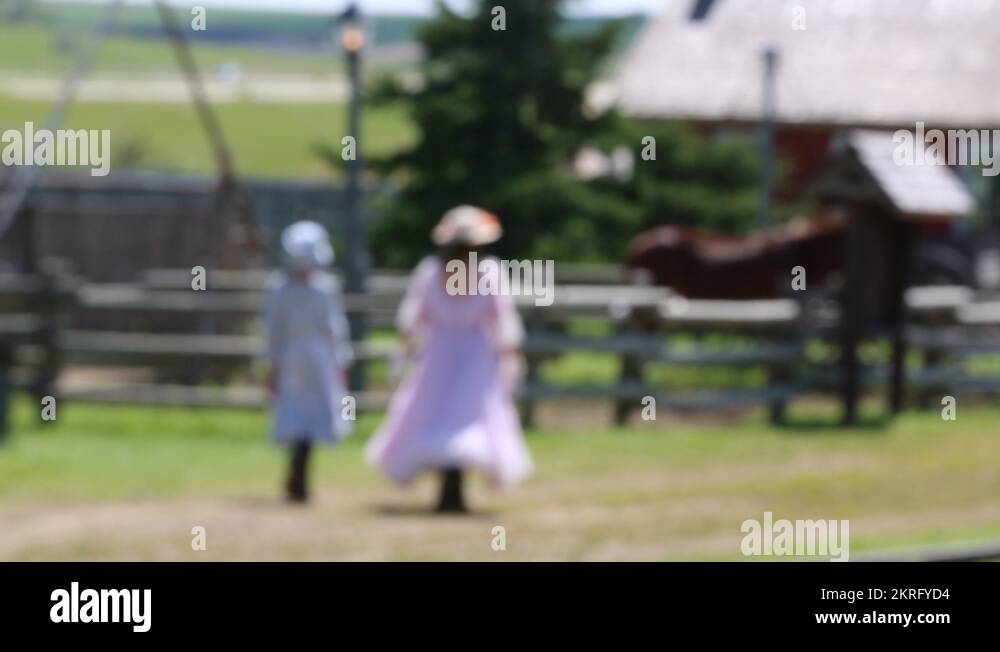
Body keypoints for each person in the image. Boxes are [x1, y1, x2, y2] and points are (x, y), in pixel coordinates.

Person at [366, 205, 533, 513]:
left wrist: (403, 353)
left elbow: (414, 317)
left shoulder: (431, 271)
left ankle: (449, 488)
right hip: (476, 354)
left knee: (437, 415)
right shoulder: (489, 271)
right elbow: (502, 318)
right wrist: (509, 354)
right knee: (469, 416)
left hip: (439, 352)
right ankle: (453, 489)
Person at [265, 221, 353, 503]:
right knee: (303, 415)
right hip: (311, 360)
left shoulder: (291, 288)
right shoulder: (313, 289)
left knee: (301, 415)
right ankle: (298, 475)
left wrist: (272, 364)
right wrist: (340, 362)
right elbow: (334, 329)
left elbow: (273, 331)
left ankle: (297, 474)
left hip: (299, 359)